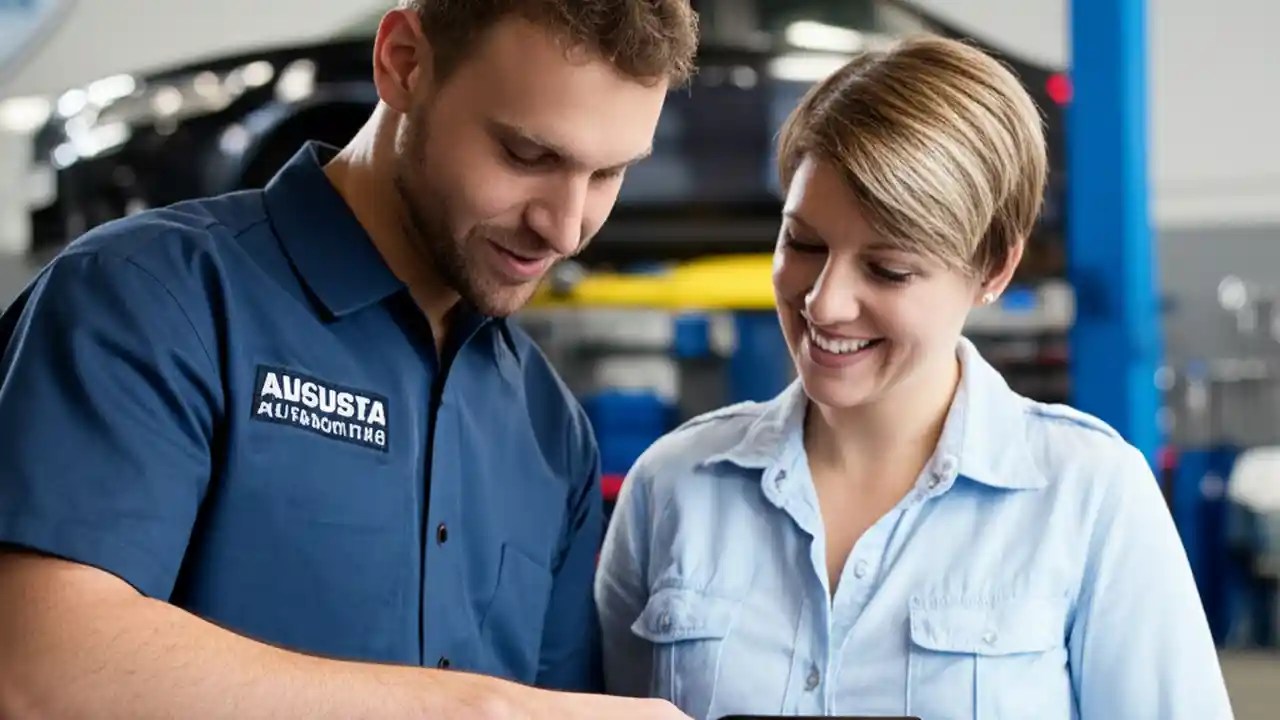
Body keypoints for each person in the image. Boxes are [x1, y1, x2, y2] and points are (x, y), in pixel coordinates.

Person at [0, 1, 698, 718]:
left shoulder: (550, 430)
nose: (566, 225)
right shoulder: (148, 299)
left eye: (609, 174)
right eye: (527, 155)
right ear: (403, 63)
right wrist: (475, 710)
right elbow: (38, 667)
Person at [595, 35, 1235, 720]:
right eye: (803, 244)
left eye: (888, 269)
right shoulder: (674, 486)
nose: (825, 302)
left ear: (993, 268)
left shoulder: (1089, 496)